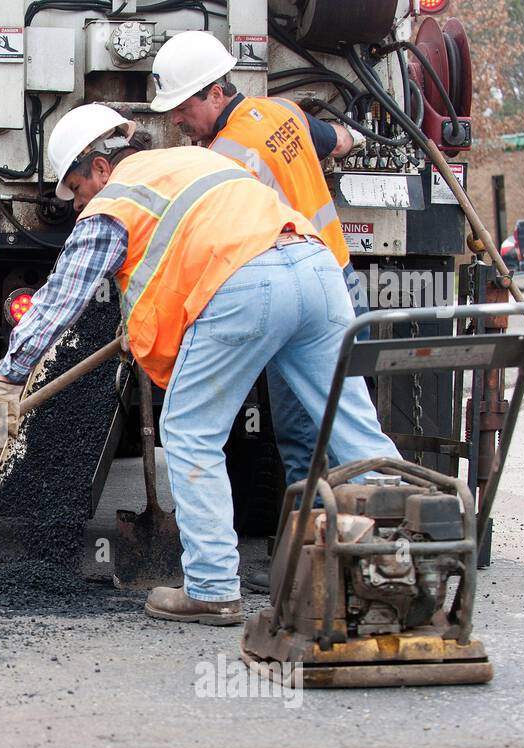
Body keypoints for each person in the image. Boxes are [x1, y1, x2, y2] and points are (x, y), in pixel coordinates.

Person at [0, 104, 400, 625]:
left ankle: (213, 587)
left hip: (249, 283)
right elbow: (183, 253)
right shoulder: (197, 162)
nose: (79, 202)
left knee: (190, 429)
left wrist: (10, 376)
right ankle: (404, 557)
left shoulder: (116, 200)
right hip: (315, 269)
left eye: (76, 188)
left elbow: (63, 298)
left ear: (100, 167)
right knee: (351, 424)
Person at [149, 31, 372, 499]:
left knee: (302, 437)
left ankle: (308, 552)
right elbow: (340, 143)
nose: (176, 119)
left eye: (183, 107)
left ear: (215, 92)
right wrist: (353, 140)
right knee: (349, 426)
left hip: (294, 295)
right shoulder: (283, 111)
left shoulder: (223, 159)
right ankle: (372, 531)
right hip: (339, 283)